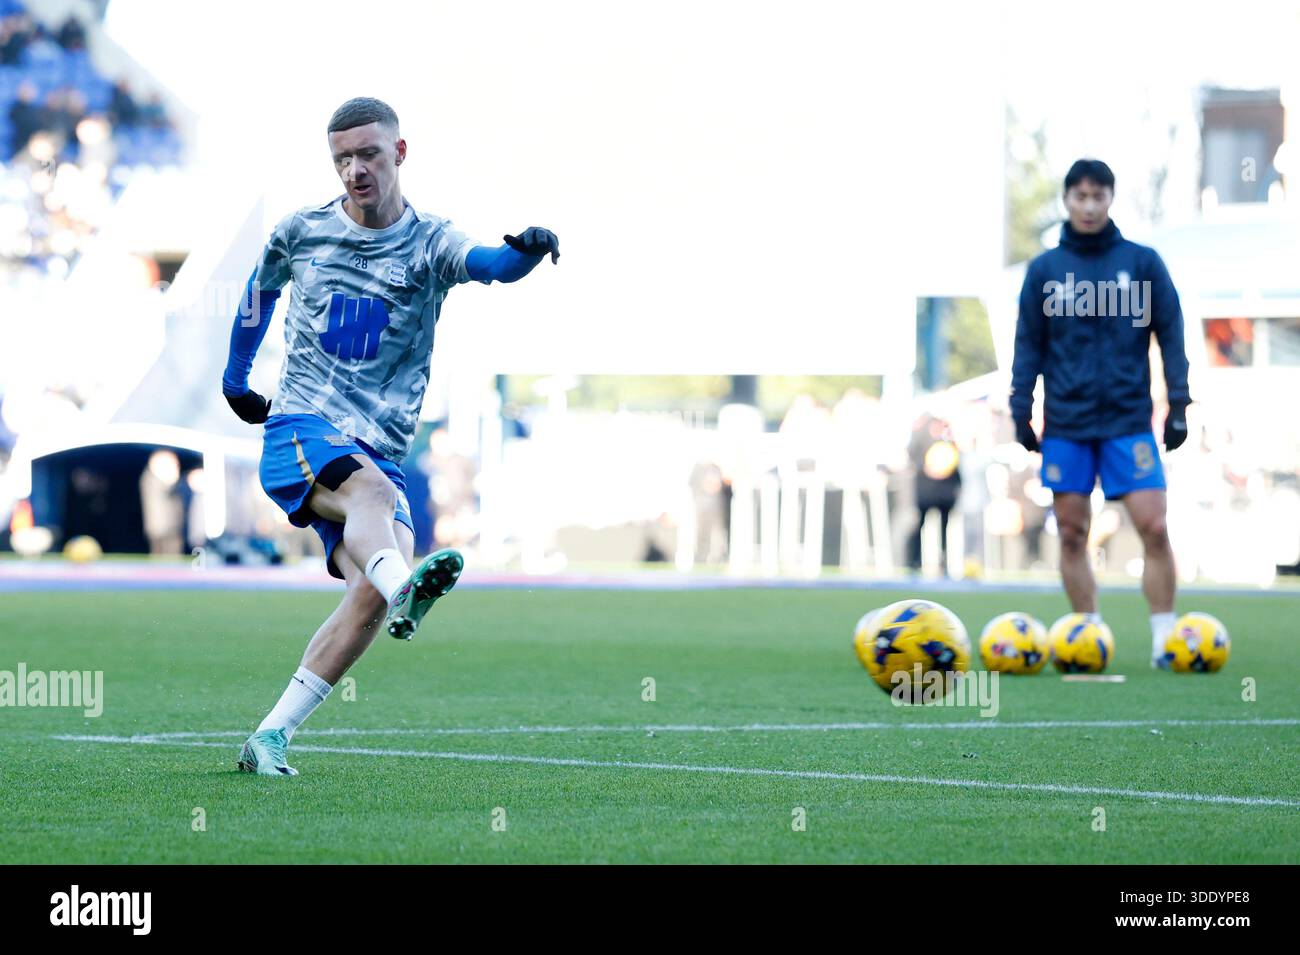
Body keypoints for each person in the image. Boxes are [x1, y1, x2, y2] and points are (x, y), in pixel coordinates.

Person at [221, 97, 560, 774]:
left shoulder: (429, 240)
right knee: (376, 511)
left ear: (398, 153)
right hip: (302, 428)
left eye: (367, 154)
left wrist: (523, 252)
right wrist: (236, 378)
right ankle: (405, 583)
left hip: (378, 449)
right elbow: (257, 294)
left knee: (370, 591)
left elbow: (487, 264)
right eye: (342, 158)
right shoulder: (302, 232)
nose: (354, 169)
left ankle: (270, 736)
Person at [1010, 158, 1190, 668]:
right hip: (1066, 422)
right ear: (1066, 200)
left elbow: (1171, 333)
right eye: (1079, 197)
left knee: (1154, 527)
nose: (1089, 206)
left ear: (1110, 199)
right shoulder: (1044, 271)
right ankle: (1087, 635)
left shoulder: (1142, 263)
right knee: (1071, 533)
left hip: (1128, 421)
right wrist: (1020, 408)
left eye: (1098, 196)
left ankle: (1164, 640)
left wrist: (1178, 401)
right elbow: (1028, 344)